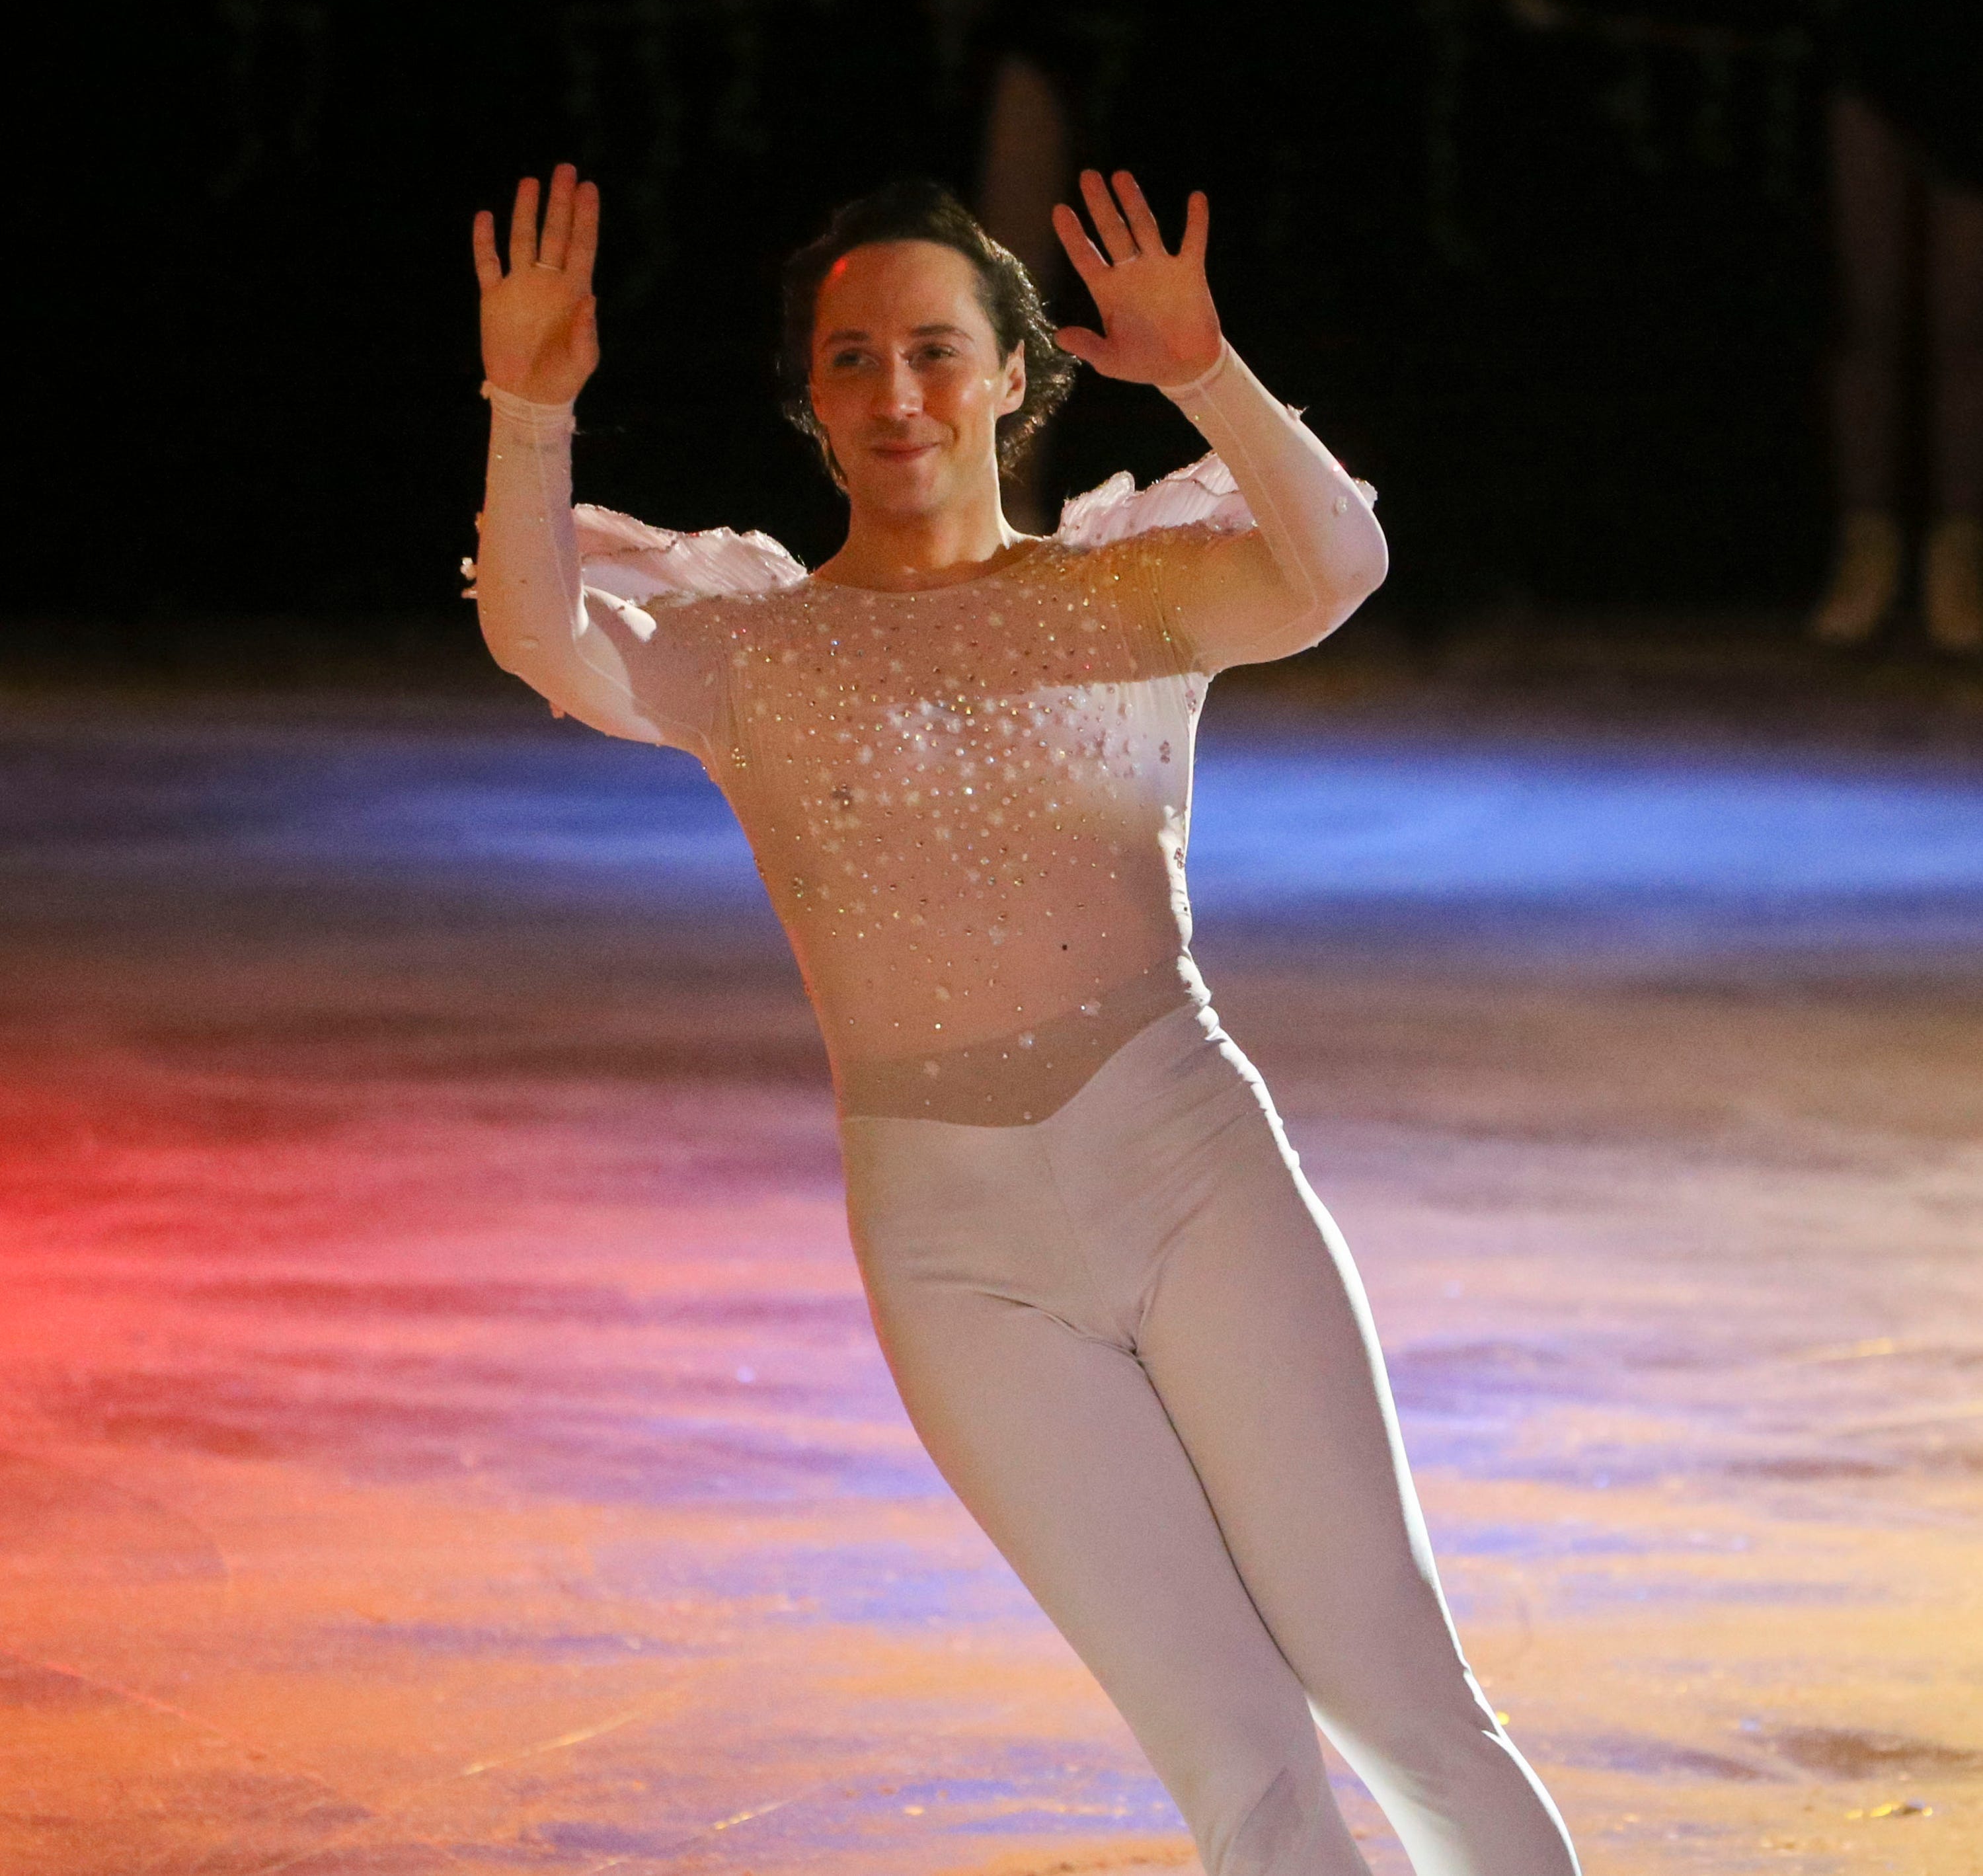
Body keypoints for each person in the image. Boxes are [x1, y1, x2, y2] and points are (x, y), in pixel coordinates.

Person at [469, 161, 1582, 1876]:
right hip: (957, 1257)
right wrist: (530, 406)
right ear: (807, 401)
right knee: (1247, 1767)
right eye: (851, 358)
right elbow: (541, 631)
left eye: (934, 348)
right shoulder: (746, 647)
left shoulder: (1124, 592)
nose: (896, 391)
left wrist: (1208, 368)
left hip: (1193, 1168)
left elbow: (1339, 561)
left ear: (1014, 376)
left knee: (1402, 1696)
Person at [1811, 0, 1983, 653]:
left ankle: (1959, 555)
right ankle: (1867, 546)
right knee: (1869, 311)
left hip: (1970, 56)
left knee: (1965, 322)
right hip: (1878, 41)